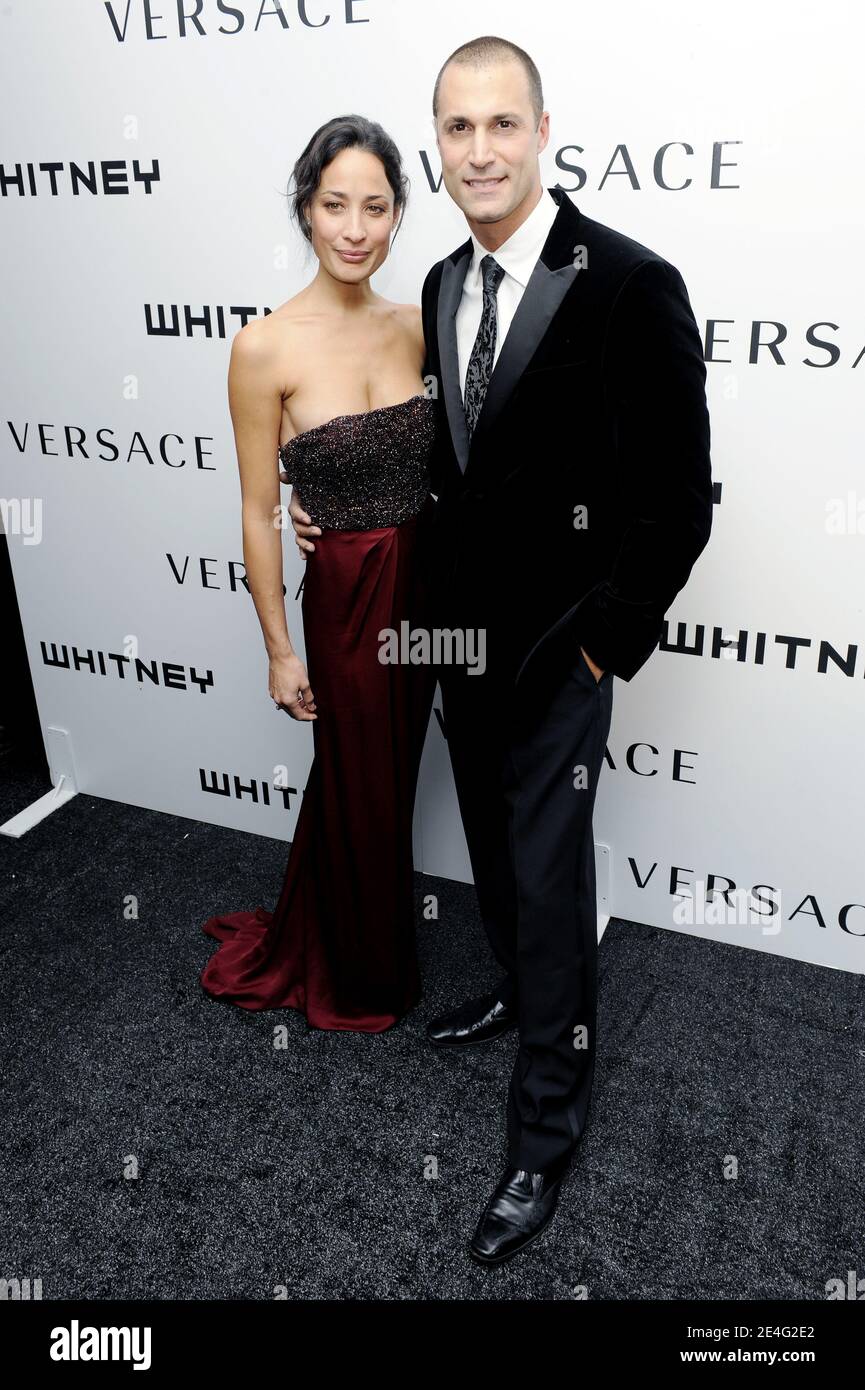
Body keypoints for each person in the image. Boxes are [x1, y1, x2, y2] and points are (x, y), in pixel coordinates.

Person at [289, 37, 713, 1262]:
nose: (478, 151)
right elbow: (442, 464)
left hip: (557, 659)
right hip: (455, 644)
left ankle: (543, 1131)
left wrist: (596, 654)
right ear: (441, 143)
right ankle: (524, 991)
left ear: (541, 132)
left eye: (500, 126)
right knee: (491, 856)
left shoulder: (631, 284)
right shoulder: (435, 286)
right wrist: (327, 505)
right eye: (456, 129)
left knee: (548, 879)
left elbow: (675, 505)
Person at [200, 116, 437, 1033]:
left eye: (374, 207)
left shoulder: (421, 327)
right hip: (343, 599)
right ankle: (360, 970)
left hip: (426, 591)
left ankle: (347, 929)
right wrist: (276, 649)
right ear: (305, 210)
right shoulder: (264, 346)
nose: (353, 227)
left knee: (392, 776)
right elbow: (261, 510)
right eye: (334, 204)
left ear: (395, 217)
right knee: (355, 778)